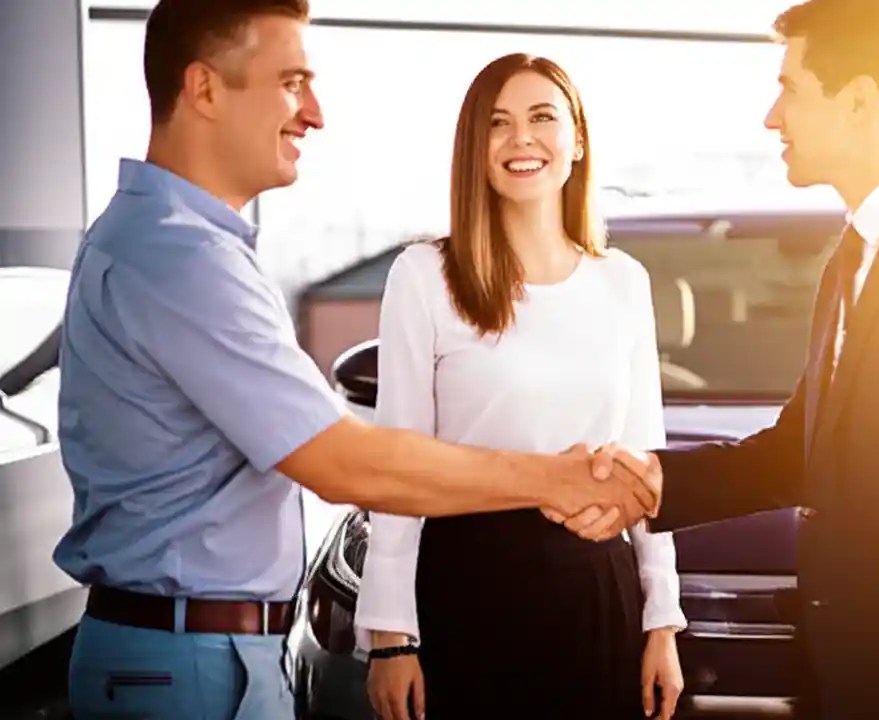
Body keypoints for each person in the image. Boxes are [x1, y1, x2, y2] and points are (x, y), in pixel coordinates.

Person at [53, 3, 654, 719]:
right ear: (206, 90)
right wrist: (551, 478)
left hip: (198, 656)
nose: (314, 113)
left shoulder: (180, 246)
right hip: (188, 666)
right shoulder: (180, 259)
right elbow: (348, 464)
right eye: (291, 82)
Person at [581, 0, 879, 717]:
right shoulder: (853, 257)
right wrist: (652, 482)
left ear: (861, 101)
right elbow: (800, 453)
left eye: (791, 88)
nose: (772, 117)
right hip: (861, 681)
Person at [354, 53, 687, 720]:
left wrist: (662, 620)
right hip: (467, 587)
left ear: (579, 139)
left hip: (596, 588)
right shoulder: (424, 277)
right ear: (474, 147)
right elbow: (398, 464)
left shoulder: (622, 281)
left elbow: (644, 457)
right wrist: (390, 638)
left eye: (542, 118)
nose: (521, 140)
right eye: (498, 124)